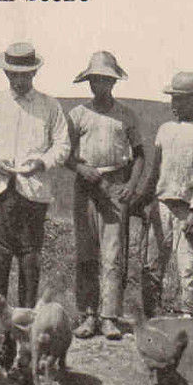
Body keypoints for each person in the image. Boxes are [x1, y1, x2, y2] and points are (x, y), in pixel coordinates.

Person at [0, 42, 71, 308]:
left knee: (30, 258)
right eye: (14, 74)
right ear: (6, 75)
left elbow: (62, 145)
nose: (19, 79)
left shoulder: (49, 106)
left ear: (34, 74)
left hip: (33, 192)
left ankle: (28, 325)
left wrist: (42, 162)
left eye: (25, 74)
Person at [66, 51, 155, 340]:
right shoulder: (78, 115)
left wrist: (132, 185)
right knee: (86, 252)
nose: (98, 85)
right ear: (88, 82)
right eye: (94, 80)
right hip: (86, 186)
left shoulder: (125, 115)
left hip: (117, 185)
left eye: (104, 80)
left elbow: (140, 154)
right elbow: (64, 154)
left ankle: (109, 317)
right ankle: (88, 315)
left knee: (113, 252)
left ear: (113, 83)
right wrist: (81, 168)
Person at [148, 71, 193, 317]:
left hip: (187, 209)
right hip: (161, 204)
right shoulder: (165, 129)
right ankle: (152, 312)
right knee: (154, 262)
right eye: (172, 98)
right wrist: (145, 200)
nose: (173, 104)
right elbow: (156, 169)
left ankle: (190, 313)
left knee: (187, 265)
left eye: (179, 99)